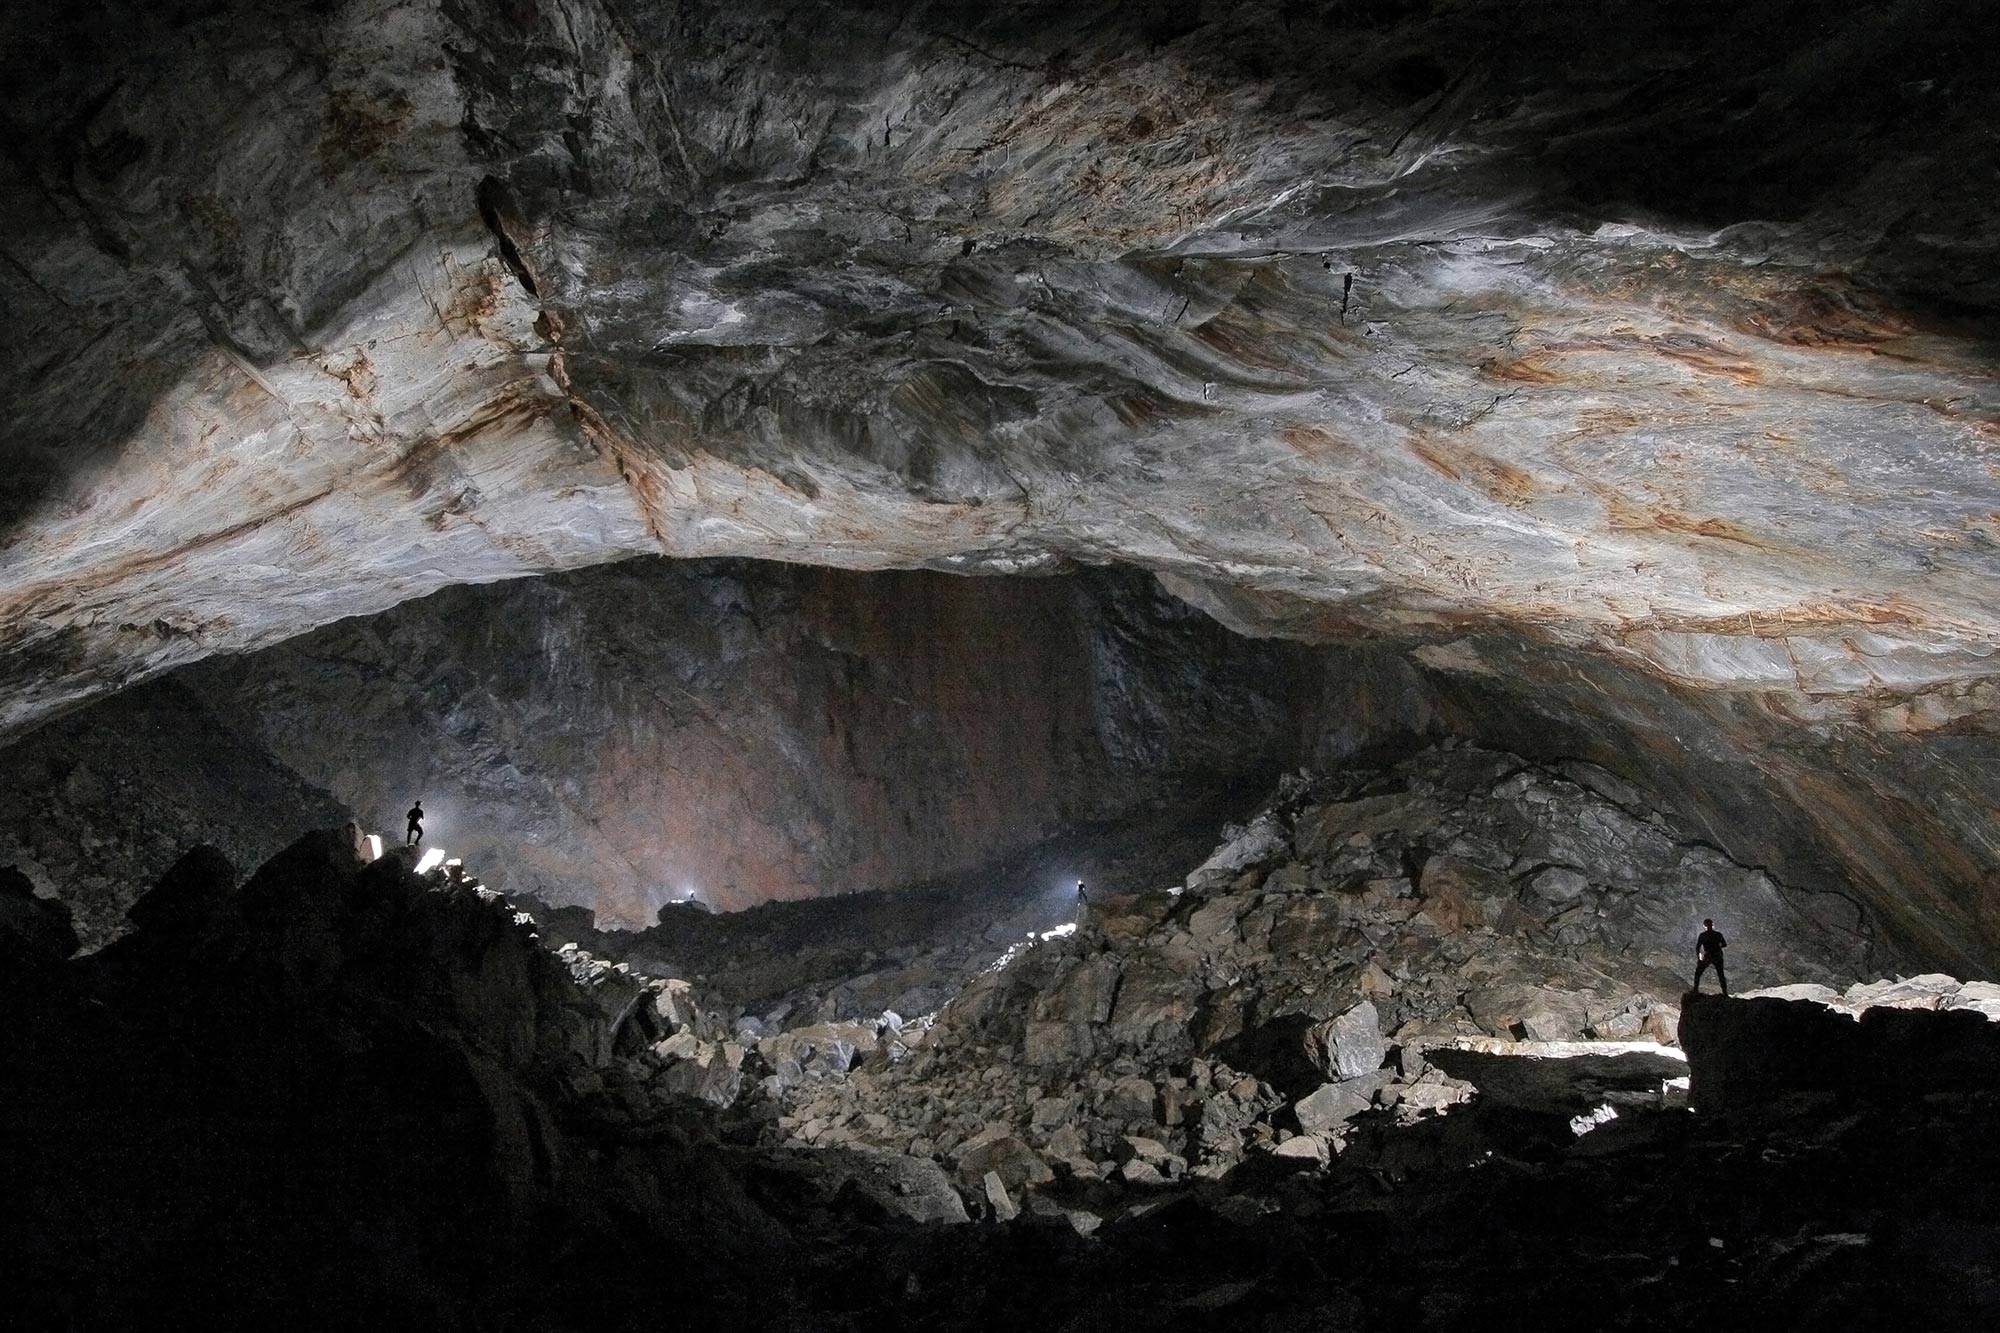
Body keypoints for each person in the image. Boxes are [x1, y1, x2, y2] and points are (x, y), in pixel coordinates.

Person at [1694, 918, 1728, 995]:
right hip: (1717, 955)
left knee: (1698, 973)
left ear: (1704, 926)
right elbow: (1724, 944)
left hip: (1708, 956)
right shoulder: (1718, 935)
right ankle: (1725, 993)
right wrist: (1717, 947)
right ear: (1712, 925)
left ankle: (1695, 990)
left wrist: (1699, 958)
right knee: (1721, 975)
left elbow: (1698, 947)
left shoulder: (1703, 935)